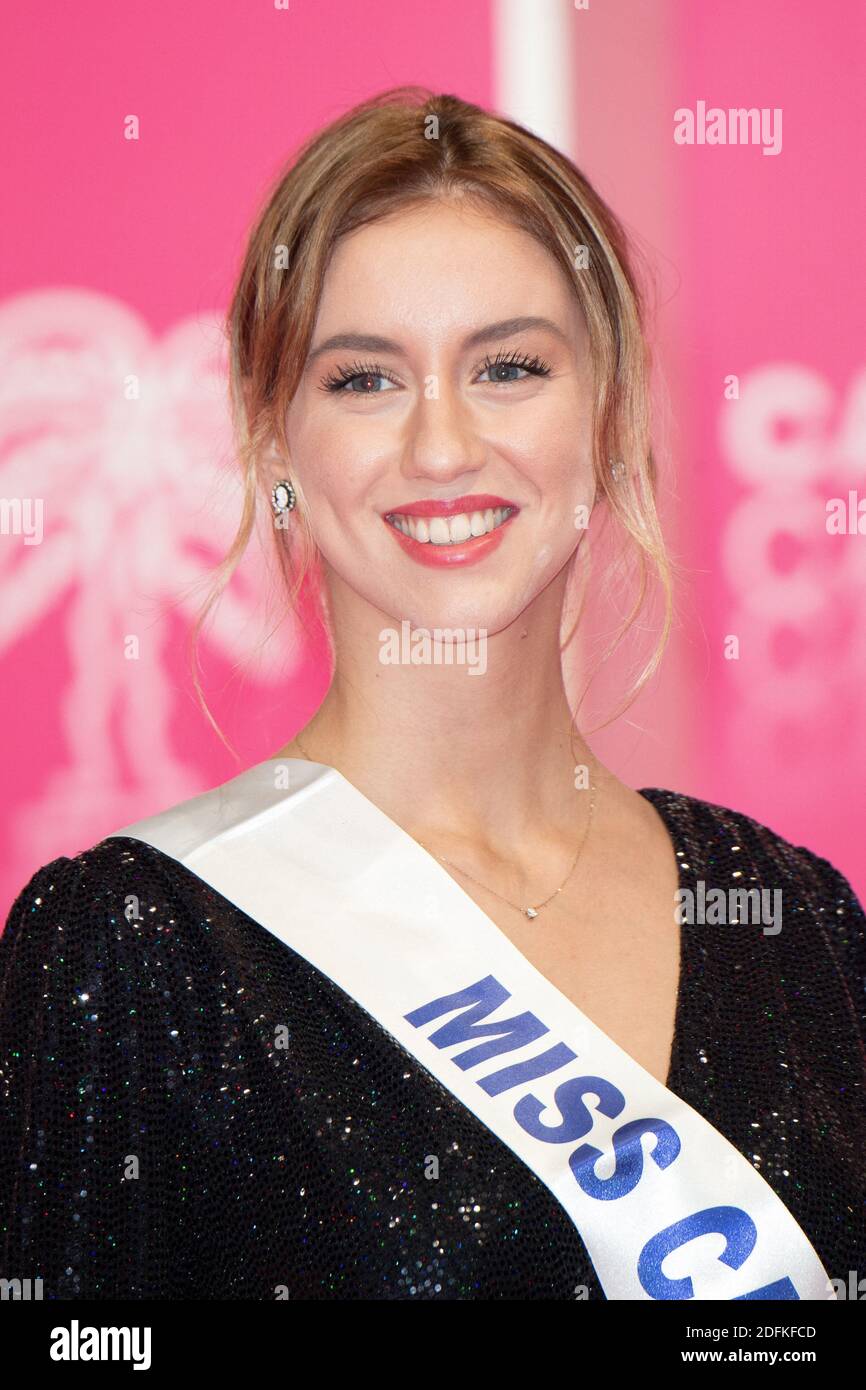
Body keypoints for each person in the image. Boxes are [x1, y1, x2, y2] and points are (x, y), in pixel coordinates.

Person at [1, 87, 863, 1302]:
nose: (443, 447)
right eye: (364, 381)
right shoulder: (135, 948)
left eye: (507, 366)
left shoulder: (790, 916)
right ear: (270, 444)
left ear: (607, 413)